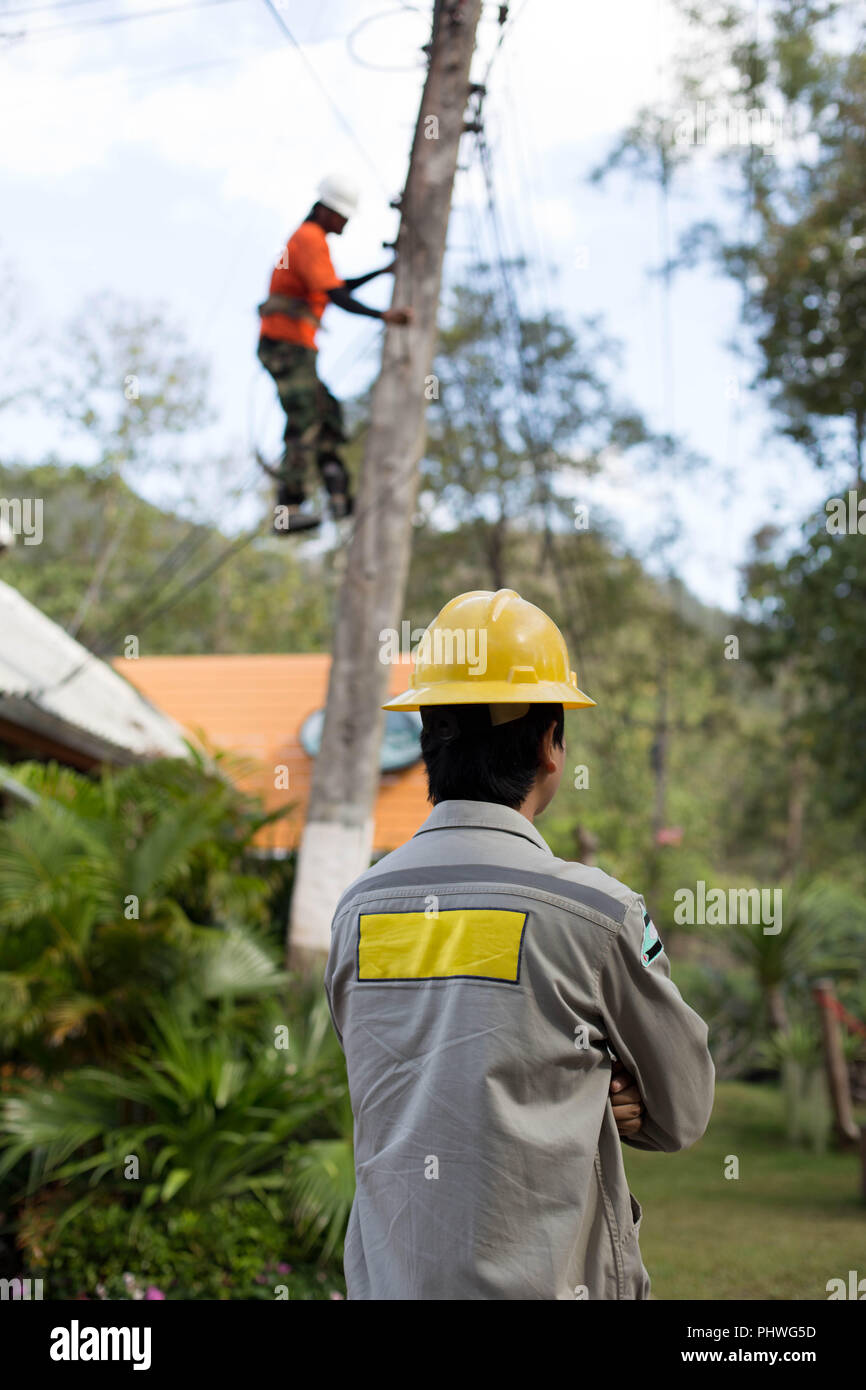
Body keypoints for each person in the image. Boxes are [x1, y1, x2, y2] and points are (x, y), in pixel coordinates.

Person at [324, 587, 715, 1300]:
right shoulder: (594, 914)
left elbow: (411, 1072)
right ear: (549, 745)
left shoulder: (357, 911)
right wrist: (604, 1087)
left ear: (427, 741)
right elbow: (682, 1110)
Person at [257, 172, 413, 535]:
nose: (345, 224)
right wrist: (384, 315)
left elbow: (334, 286)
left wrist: (382, 271)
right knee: (306, 417)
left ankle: (339, 498)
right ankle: (288, 508)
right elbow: (337, 297)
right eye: (343, 217)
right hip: (285, 345)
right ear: (328, 211)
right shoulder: (309, 239)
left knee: (327, 414)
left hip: (295, 346)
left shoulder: (309, 240)